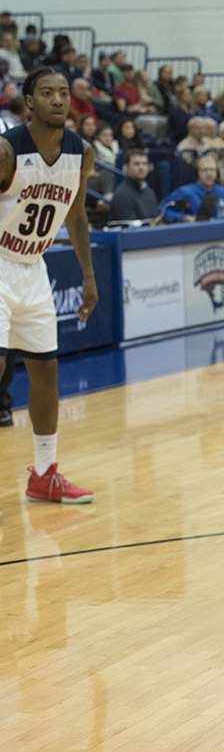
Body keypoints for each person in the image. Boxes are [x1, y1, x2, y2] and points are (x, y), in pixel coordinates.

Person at [0, 66, 98, 516]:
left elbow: (76, 215)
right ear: (29, 101)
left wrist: (88, 275)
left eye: (63, 92)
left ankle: (44, 475)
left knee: (46, 370)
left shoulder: (81, 151)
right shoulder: (7, 151)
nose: (57, 99)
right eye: (46, 92)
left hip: (33, 266)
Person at [157, 153, 224, 222]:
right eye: (205, 170)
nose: (209, 174)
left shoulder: (223, 192)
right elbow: (162, 209)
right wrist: (184, 217)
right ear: (197, 173)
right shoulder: (185, 192)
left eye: (212, 170)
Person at [109, 148, 159, 223]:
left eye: (144, 164)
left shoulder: (150, 192)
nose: (141, 168)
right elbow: (130, 227)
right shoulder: (122, 194)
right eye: (136, 164)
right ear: (126, 167)